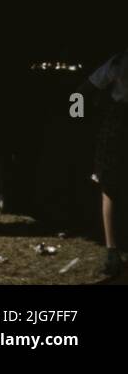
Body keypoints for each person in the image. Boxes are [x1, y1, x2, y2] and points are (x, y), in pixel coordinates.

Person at [82, 50, 128, 278]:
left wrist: (75, 116)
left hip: (118, 123)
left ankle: (112, 250)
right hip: (119, 124)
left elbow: (83, 90)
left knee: (109, 187)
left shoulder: (119, 62)